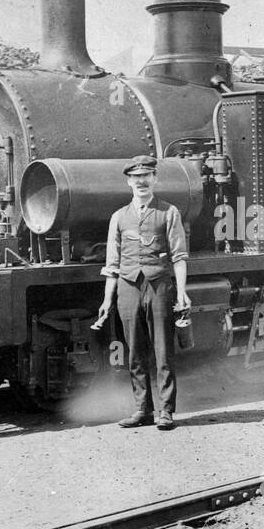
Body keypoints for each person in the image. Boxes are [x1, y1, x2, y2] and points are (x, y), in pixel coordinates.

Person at [97, 155, 192, 430]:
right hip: (127, 288)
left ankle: (166, 411)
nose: (141, 182)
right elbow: (112, 264)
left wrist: (182, 293)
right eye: (136, 178)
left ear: (154, 179)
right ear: (129, 181)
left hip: (159, 286)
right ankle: (142, 410)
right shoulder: (118, 217)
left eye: (146, 176)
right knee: (135, 353)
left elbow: (179, 257)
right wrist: (107, 299)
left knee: (163, 351)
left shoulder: (169, 212)